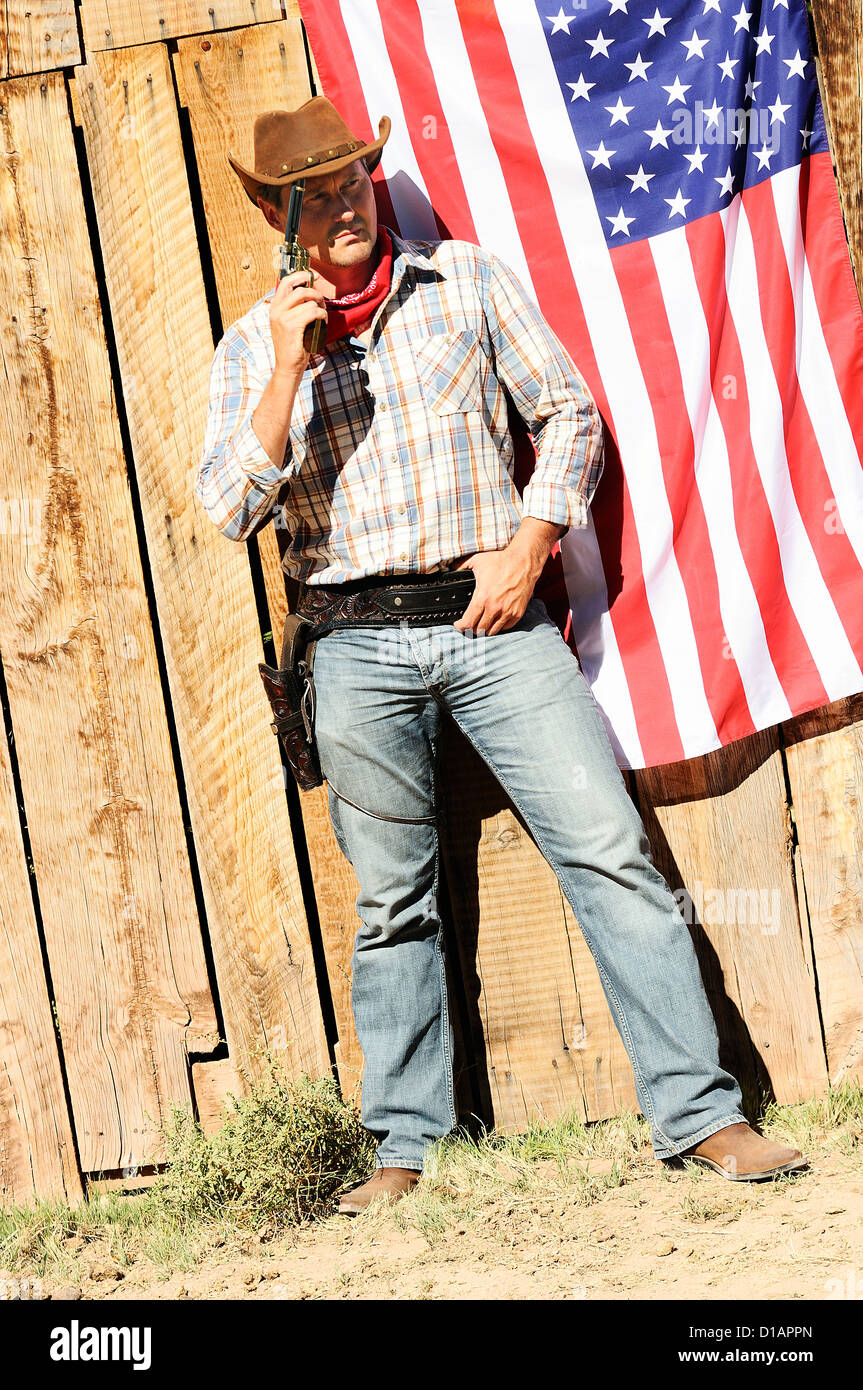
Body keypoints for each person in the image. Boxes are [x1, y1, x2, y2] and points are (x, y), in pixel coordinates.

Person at [197, 96, 806, 1213]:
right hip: (351, 647)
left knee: (608, 850)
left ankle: (703, 1116)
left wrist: (530, 546)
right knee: (394, 905)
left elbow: (567, 411)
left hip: (492, 625)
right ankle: (405, 1148)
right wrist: (288, 368)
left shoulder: (463, 279)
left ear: (372, 183)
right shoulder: (252, 345)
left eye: (351, 181)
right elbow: (229, 508)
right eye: (314, 193)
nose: (341, 205)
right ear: (277, 214)